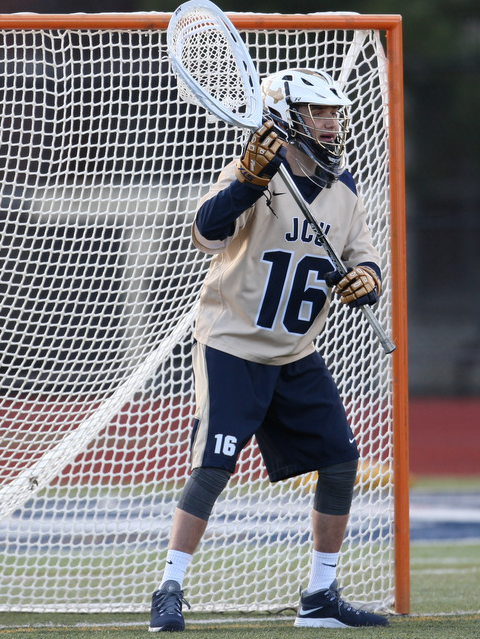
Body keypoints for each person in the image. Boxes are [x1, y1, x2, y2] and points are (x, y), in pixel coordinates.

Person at [148, 68, 389, 632]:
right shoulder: (253, 174)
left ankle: (320, 595)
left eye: (333, 113)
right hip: (233, 344)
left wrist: (367, 281)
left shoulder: (343, 189)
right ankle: (169, 588)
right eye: (317, 112)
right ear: (287, 117)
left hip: (295, 351)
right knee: (214, 466)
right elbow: (206, 231)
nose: (330, 123)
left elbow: (364, 256)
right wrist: (248, 183)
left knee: (340, 460)